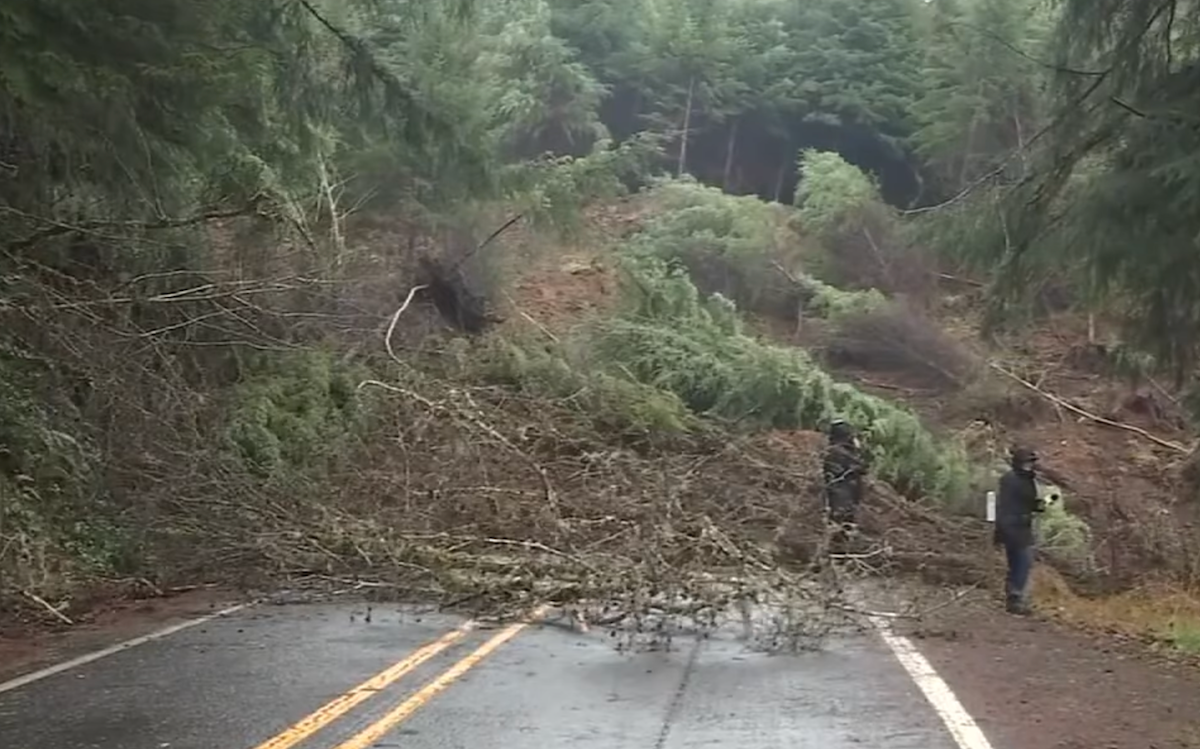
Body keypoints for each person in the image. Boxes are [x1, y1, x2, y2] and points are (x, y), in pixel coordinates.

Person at [994, 446, 1046, 615]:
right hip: (1013, 526)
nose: (1029, 465)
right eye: (1027, 462)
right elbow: (1004, 504)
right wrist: (1003, 526)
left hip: (1019, 525)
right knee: (1022, 562)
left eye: (1031, 462)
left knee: (1019, 563)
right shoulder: (1012, 480)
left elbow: (1027, 502)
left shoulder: (1025, 479)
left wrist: (1039, 505)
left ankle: (1014, 597)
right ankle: (1015, 598)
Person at [822, 419, 869, 545]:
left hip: (845, 495)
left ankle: (842, 548)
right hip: (841, 496)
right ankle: (838, 549)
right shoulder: (837, 452)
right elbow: (860, 468)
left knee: (845, 523)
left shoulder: (839, 451)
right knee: (841, 524)